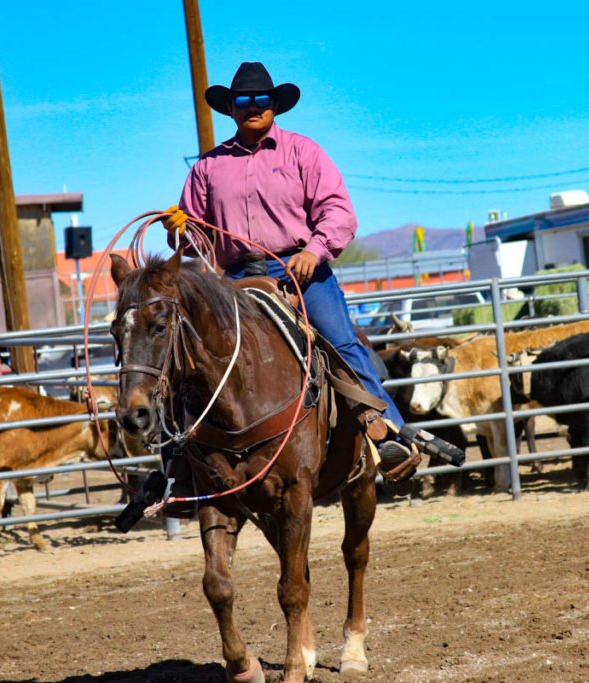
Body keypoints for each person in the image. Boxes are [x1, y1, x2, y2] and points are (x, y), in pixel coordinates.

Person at [161, 61, 464, 478]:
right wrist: (178, 229)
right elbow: (193, 239)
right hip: (233, 280)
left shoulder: (304, 152)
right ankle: (176, 462)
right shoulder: (207, 168)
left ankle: (390, 437)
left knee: (341, 343)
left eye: (261, 100)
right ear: (230, 108)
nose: (252, 107)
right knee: (188, 355)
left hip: (300, 270)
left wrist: (315, 250)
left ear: (274, 106)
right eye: (243, 100)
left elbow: (338, 212)